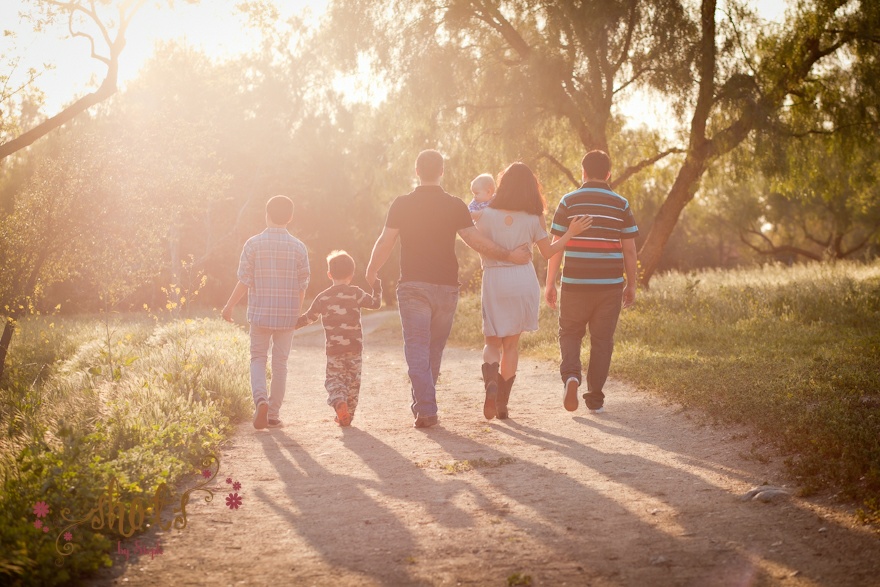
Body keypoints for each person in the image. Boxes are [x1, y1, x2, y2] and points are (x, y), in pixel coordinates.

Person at [365, 149, 532, 428]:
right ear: (441, 172)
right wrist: (509, 255)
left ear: (417, 172)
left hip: (414, 286)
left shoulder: (402, 204)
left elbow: (385, 241)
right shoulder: (454, 205)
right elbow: (475, 240)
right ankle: (424, 404)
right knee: (433, 350)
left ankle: (426, 407)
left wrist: (371, 270)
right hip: (446, 288)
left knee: (417, 349)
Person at [474, 163, 591, 420]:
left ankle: (491, 384)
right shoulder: (534, 216)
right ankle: (502, 404)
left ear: (503, 185)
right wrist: (570, 233)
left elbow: (477, 243)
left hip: (495, 279)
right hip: (522, 280)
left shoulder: (485, 214)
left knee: (492, 342)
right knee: (511, 346)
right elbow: (548, 252)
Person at [544, 150, 638, 414]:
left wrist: (550, 283)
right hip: (609, 285)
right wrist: (632, 284)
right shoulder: (621, 204)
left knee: (570, 333)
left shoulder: (568, 201)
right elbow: (630, 249)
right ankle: (595, 398)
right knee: (602, 340)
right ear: (608, 174)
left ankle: (571, 377)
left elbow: (556, 245)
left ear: (583, 172)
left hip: (575, 283)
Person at [222, 195, 310, 429]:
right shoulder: (299, 247)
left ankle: (261, 400)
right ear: (290, 217)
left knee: (258, 359)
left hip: (260, 314)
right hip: (287, 316)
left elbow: (244, 281)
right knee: (280, 364)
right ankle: (273, 414)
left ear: (267, 215)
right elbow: (302, 285)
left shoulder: (253, 244)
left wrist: (229, 306)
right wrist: (296, 313)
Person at [295, 250, 382, 427]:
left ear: (329, 274)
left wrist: (290, 324)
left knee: (334, 379)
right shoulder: (356, 293)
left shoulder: (323, 297)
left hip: (334, 349)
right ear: (351, 275)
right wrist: (377, 286)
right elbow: (375, 303)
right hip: (355, 348)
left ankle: (339, 402)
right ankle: (348, 414)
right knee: (353, 383)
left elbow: (308, 318)